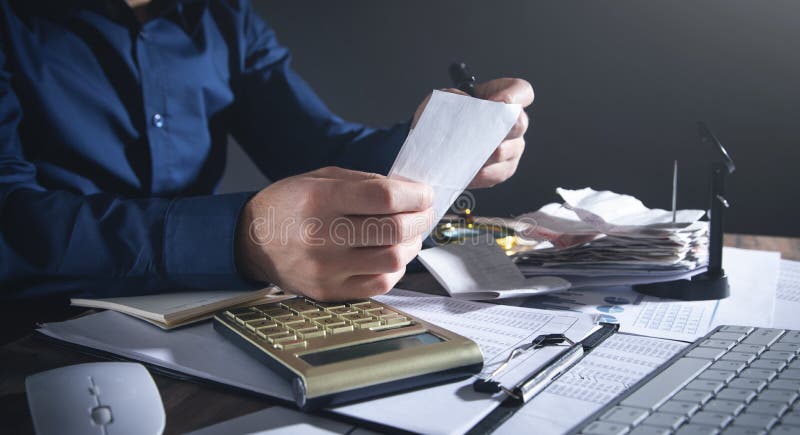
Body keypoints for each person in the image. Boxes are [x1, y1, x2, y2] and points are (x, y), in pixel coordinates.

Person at [0, 0, 533, 304]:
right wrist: (246, 238)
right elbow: (10, 218)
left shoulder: (223, 18)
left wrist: (445, 141)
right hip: (31, 329)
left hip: (194, 311)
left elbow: (314, 147)